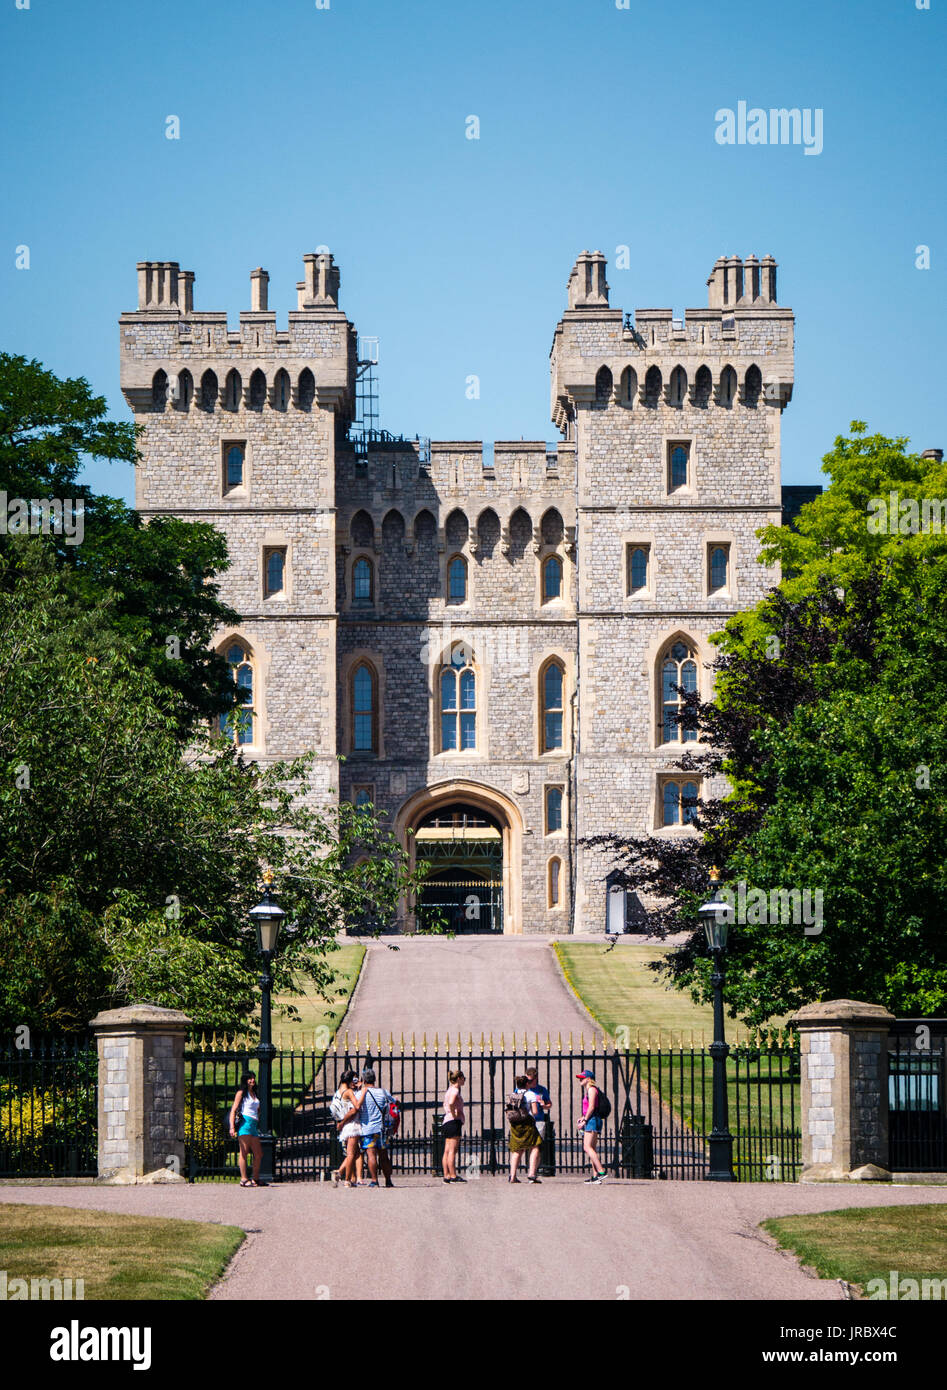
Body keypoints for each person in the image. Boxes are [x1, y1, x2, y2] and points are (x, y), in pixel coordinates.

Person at [342, 1067, 395, 1188]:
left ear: (364, 1080)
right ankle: (388, 1180)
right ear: (375, 1079)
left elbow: (355, 1108)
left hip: (368, 1128)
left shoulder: (361, 1093)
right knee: (384, 1156)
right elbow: (394, 1102)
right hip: (382, 1128)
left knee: (371, 1155)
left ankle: (374, 1180)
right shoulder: (383, 1092)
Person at [230, 1072, 263, 1188]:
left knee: (258, 1153)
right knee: (243, 1152)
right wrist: (232, 1127)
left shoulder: (254, 1093)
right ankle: (244, 1179)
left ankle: (255, 1178)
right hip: (245, 1124)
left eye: (253, 1078)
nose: (252, 1080)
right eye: (250, 1078)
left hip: (253, 1125)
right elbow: (233, 1110)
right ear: (245, 1080)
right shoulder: (241, 1093)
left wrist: (258, 1114)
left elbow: (257, 1108)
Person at [331, 1068, 363, 1188]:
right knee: (351, 1154)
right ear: (349, 1080)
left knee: (354, 1153)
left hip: (345, 1126)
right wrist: (363, 1091)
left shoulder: (338, 1092)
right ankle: (347, 1179)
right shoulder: (349, 1091)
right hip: (351, 1124)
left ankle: (341, 1173)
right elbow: (356, 1107)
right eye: (353, 1080)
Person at [508, 1073, 541, 1183]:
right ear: (527, 1084)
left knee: (517, 1150)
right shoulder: (531, 1094)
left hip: (515, 1124)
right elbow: (535, 1112)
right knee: (535, 1146)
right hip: (527, 1123)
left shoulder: (514, 1094)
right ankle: (531, 1173)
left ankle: (512, 1175)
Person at [576, 1070, 607, 1183]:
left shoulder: (592, 1090)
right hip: (592, 1119)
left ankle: (601, 1171)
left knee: (587, 1147)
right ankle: (595, 1176)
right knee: (592, 1148)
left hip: (592, 1120)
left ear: (589, 1079)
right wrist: (583, 1116)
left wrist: (585, 1120)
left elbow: (592, 1107)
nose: (580, 1079)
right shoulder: (590, 1090)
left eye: (582, 1078)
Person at [522, 1068, 551, 1184]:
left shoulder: (541, 1090)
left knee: (536, 1147)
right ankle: (530, 1172)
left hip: (538, 1120)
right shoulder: (521, 1089)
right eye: (527, 1080)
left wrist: (545, 1105)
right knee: (526, 1147)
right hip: (525, 1120)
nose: (528, 1083)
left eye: (530, 1080)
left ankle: (532, 1172)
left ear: (536, 1078)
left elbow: (549, 1104)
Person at [442, 1070, 466, 1183]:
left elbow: (446, 1103)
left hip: (447, 1121)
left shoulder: (449, 1090)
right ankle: (453, 1175)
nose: (464, 1080)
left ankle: (446, 1175)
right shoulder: (455, 1090)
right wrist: (454, 1113)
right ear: (458, 1079)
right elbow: (451, 1103)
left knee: (446, 1150)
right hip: (453, 1121)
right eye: (463, 1078)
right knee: (452, 1150)